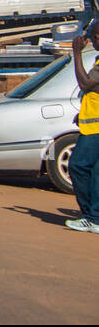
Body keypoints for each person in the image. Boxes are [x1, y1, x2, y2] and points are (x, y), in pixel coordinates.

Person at [66, 18, 99, 233]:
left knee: (78, 166)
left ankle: (91, 216)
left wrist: (77, 53)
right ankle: (94, 217)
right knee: (95, 173)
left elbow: (86, 83)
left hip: (95, 129)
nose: (92, 41)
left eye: (94, 37)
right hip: (93, 123)